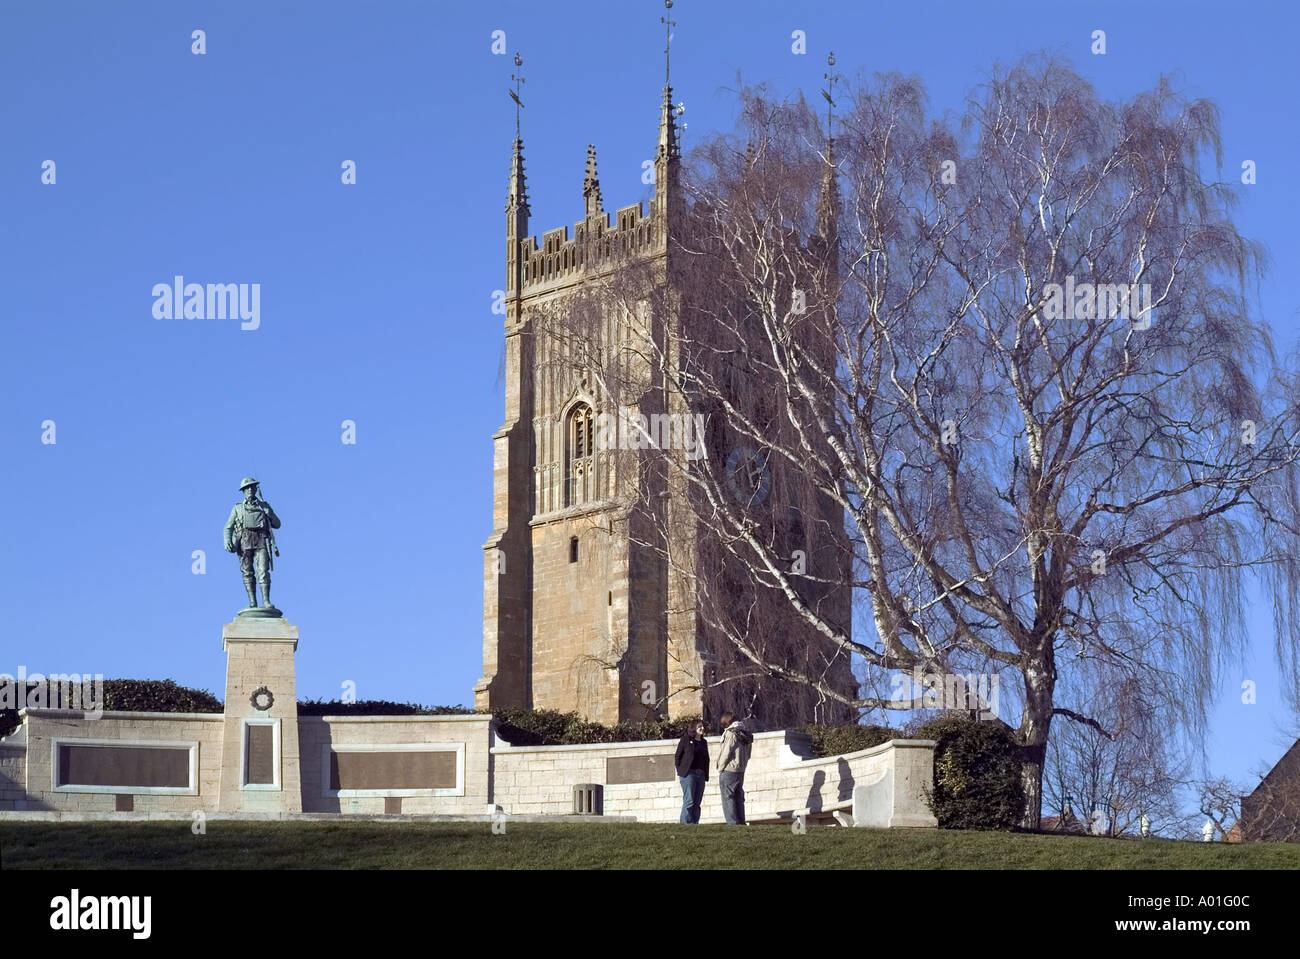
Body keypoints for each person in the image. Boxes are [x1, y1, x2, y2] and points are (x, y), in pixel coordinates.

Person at [223, 478, 282, 611]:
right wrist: (227, 540)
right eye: (247, 488)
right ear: (243, 491)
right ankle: (252, 602)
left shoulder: (264, 506)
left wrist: (270, 514)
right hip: (244, 541)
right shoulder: (237, 508)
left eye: (252, 487)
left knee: (263, 571)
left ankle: (266, 601)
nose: (250, 490)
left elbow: (277, 524)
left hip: (261, 540)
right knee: (247, 572)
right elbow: (228, 527)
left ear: (256, 489)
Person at [715, 711, 753, 825]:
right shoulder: (745, 733)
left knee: (728, 798)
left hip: (729, 770)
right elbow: (749, 754)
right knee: (738, 798)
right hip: (740, 770)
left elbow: (726, 752)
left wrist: (720, 767)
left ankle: (732, 823)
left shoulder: (731, 733)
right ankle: (741, 822)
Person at [674, 719, 709, 824]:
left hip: (700, 775)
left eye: (702, 726)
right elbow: (677, 756)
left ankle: (694, 823)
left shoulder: (704, 742)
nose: (702, 728)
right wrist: (681, 771)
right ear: (694, 728)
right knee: (689, 801)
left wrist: (705, 774)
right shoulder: (686, 739)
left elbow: (706, 759)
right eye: (699, 726)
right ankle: (685, 824)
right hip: (689, 774)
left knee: (697, 802)